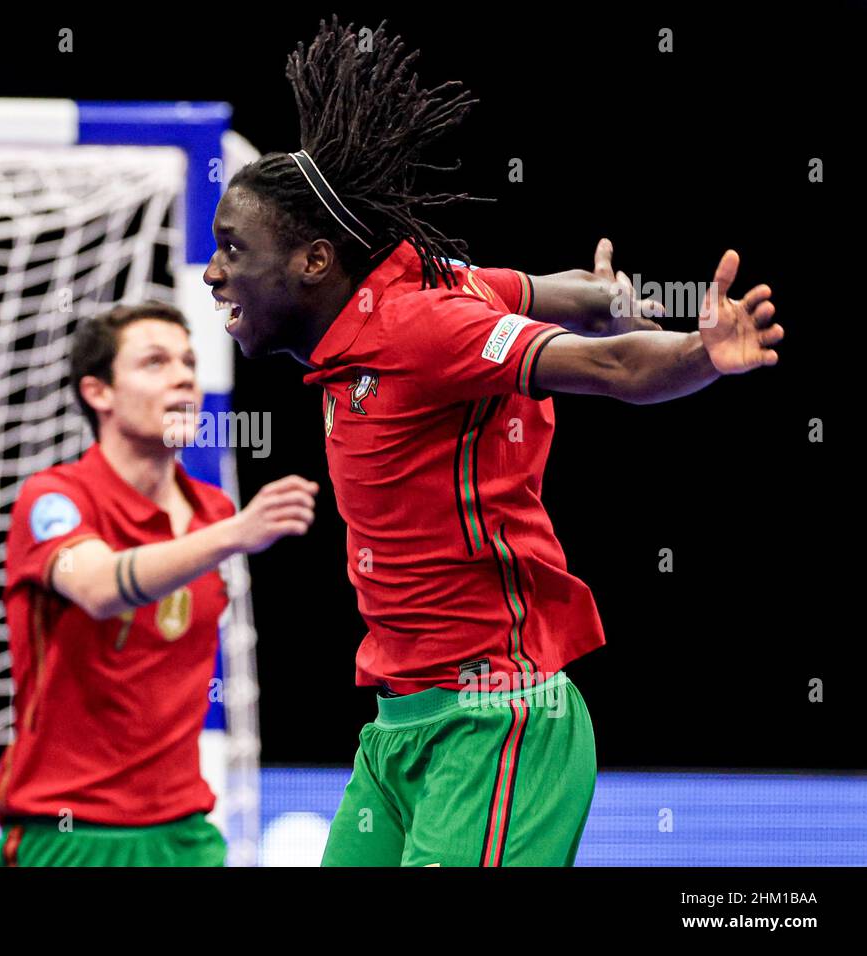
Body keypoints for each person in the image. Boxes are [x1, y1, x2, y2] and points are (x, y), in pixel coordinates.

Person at [202, 18, 781, 866]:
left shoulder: (423, 326)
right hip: (398, 731)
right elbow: (568, 296)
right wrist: (608, 295)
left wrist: (700, 355)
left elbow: (611, 366)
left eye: (231, 250)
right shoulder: (417, 300)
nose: (213, 272)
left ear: (315, 261)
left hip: (498, 721)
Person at [0, 301, 317, 866]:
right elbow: (97, 587)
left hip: (185, 834)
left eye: (189, 361)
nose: (184, 376)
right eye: (155, 362)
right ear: (99, 393)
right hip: (70, 836)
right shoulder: (55, 499)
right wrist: (233, 535)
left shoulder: (211, 511)